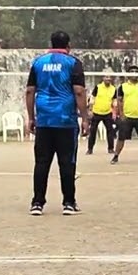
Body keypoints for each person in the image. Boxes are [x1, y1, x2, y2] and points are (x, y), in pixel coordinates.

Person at [25, 30, 88, 215]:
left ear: (51, 44)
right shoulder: (73, 63)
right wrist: (84, 118)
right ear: (68, 46)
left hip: (44, 120)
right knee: (67, 163)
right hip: (65, 121)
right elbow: (78, 91)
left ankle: (37, 203)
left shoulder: (38, 62)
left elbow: (30, 91)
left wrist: (31, 117)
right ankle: (68, 203)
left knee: (41, 162)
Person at [112, 66, 138, 164]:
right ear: (128, 74)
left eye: (136, 72)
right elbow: (119, 101)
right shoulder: (122, 87)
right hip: (127, 117)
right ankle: (116, 156)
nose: (134, 73)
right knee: (121, 138)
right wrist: (121, 114)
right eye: (132, 72)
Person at [86, 75, 116, 155]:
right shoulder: (98, 87)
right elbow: (92, 98)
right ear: (103, 78)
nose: (108, 79)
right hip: (96, 112)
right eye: (106, 77)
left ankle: (111, 148)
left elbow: (114, 101)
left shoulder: (113, 89)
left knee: (110, 131)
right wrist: (90, 110)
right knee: (93, 131)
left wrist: (114, 112)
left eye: (109, 77)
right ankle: (90, 149)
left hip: (108, 113)